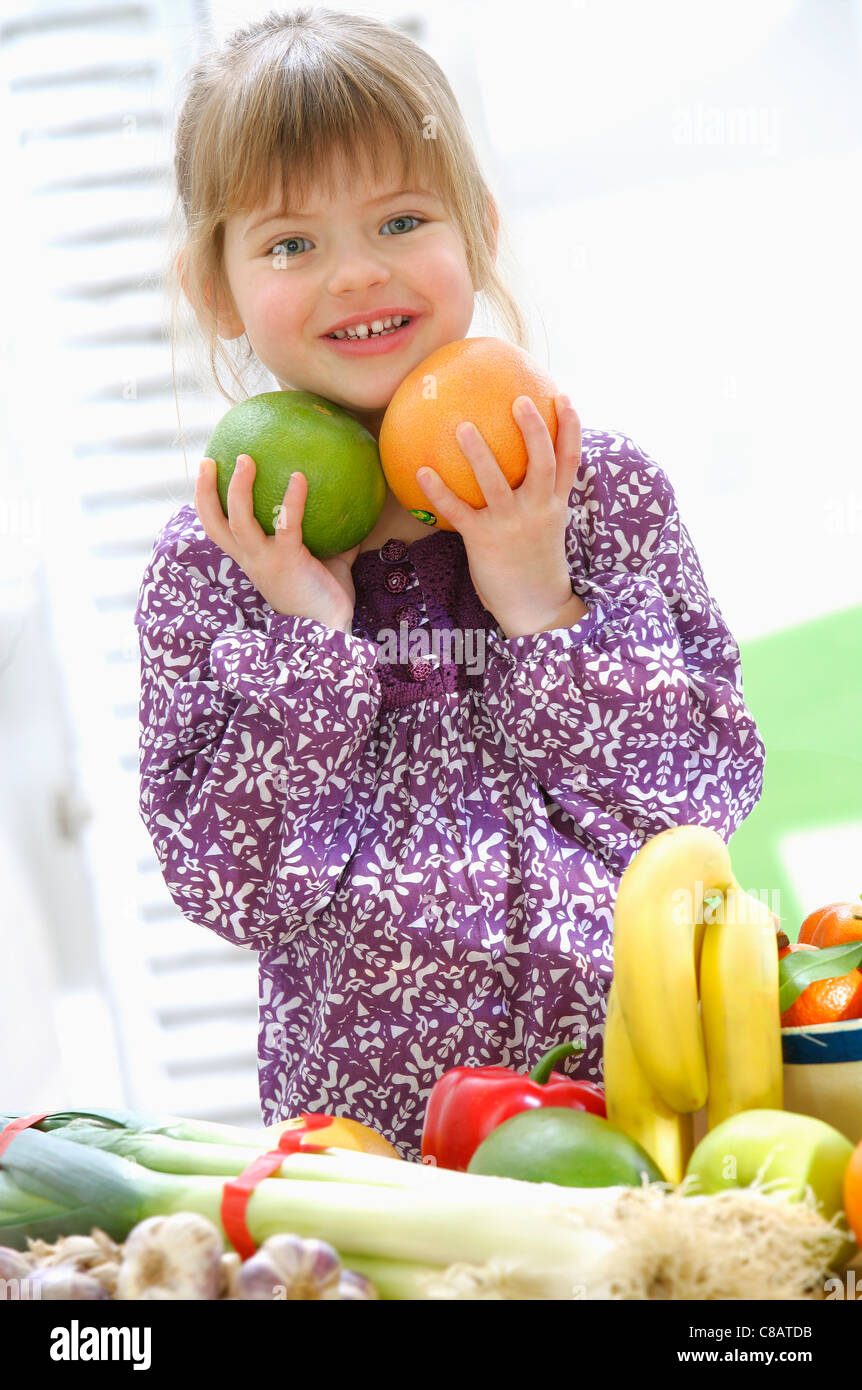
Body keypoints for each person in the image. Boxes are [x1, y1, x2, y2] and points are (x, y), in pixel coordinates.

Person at [135, 7, 766, 1160]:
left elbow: (692, 815)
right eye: (289, 244)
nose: (357, 272)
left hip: (641, 1114)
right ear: (215, 288)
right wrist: (307, 640)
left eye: (401, 218)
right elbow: (229, 888)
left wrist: (536, 598)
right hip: (371, 1164)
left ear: (475, 228)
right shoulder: (211, 565)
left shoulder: (601, 494)